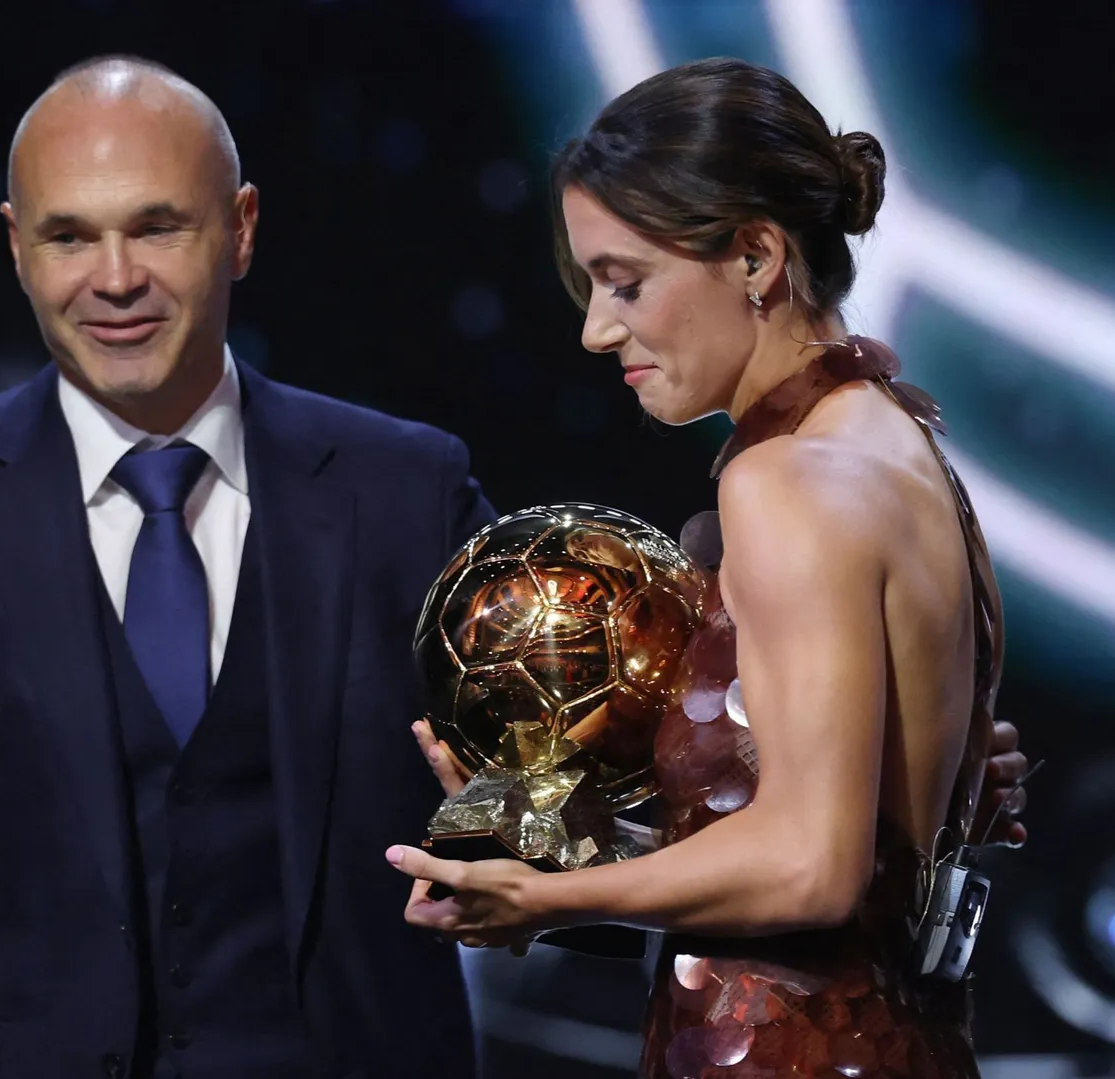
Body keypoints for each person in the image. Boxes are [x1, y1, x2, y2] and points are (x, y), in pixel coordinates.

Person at [0, 56, 496, 1079]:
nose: (113, 279)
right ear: (18, 248)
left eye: (155, 227)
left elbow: (546, 796)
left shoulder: (407, 490)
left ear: (240, 227)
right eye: (69, 236)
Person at [390, 57, 1015, 1077]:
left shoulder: (783, 483)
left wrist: (542, 898)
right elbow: (856, 834)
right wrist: (566, 837)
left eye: (625, 281)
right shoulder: (904, 445)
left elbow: (812, 868)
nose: (598, 330)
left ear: (757, 255)